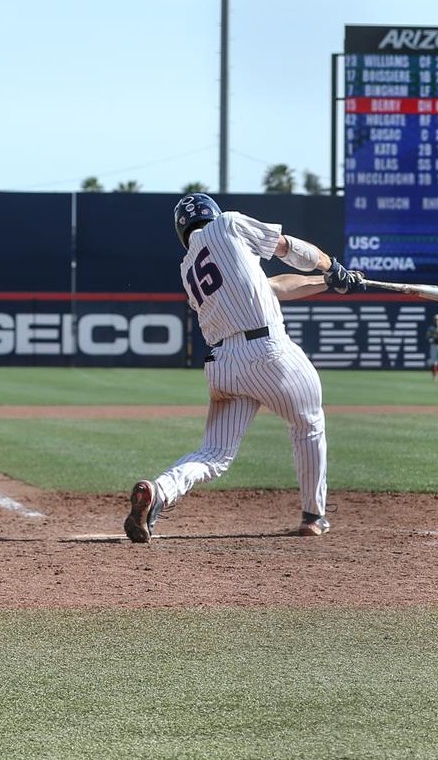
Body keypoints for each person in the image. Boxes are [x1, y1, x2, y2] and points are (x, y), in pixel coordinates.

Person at [125, 194, 364, 543]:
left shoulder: (188, 267)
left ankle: (159, 490)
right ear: (213, 214)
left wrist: (330, 284)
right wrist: (331, 266)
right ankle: (314, 515)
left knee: (214, 454)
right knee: (308, 424)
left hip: (223, 364)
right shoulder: (230, 224)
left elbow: (273, 287)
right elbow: (288, 248)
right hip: (269, 352)